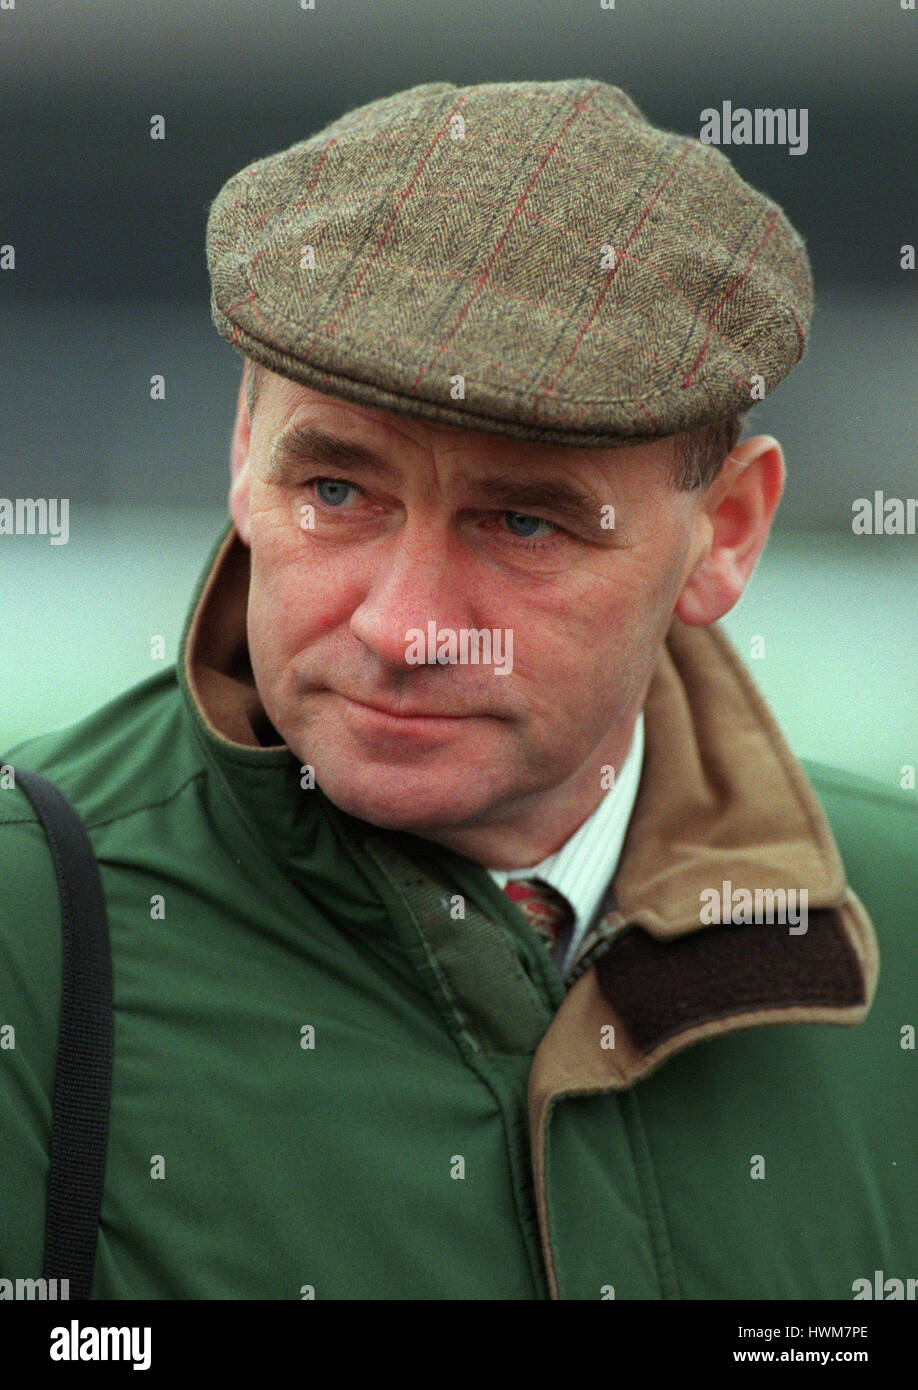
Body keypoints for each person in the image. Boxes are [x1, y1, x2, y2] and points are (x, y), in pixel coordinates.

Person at [1, 78, 915, 1301]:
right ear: (241, 451)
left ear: (729, 532)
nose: (404, 625)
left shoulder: (893, 918)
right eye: (336, 491)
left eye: (525, 522)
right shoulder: (29, 933)